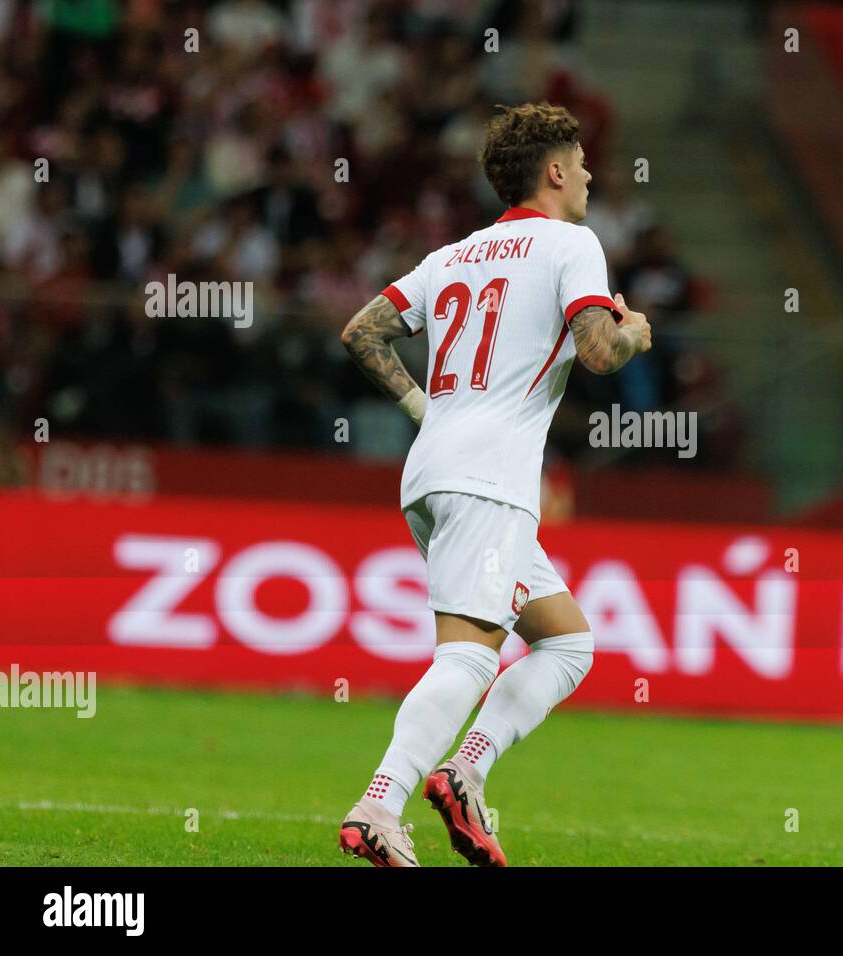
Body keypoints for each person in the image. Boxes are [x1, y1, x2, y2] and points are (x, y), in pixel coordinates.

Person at [336, 102, 651, 867]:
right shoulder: (572, 244)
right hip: (491, 479)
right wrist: (635, 334)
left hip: (432, 471)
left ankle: (465, 771)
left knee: (567, 642)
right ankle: (379, 806)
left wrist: (425, 412)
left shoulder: (453, 255)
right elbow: (599, 353)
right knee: (470, 658)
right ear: (555, 171)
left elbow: (361, 331)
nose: (589, 177)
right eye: (581, 164)